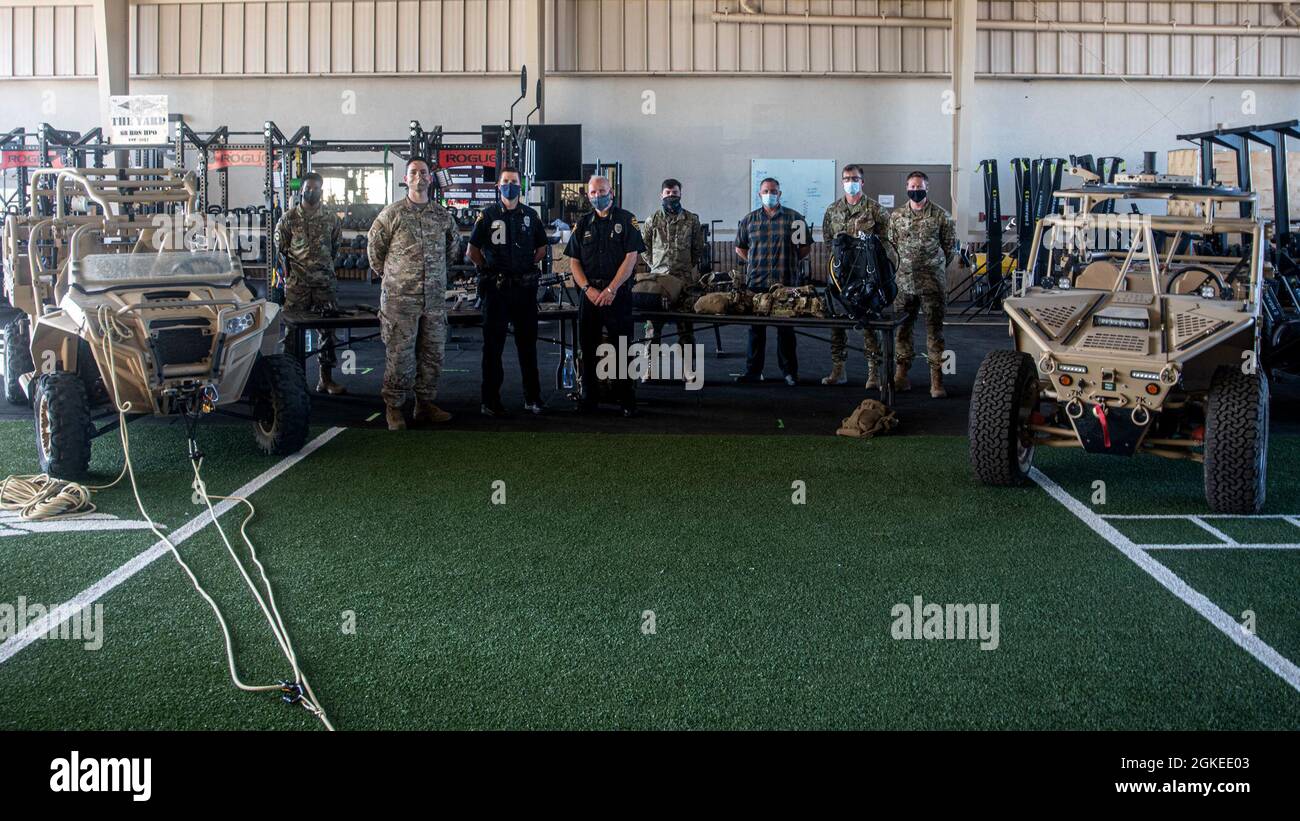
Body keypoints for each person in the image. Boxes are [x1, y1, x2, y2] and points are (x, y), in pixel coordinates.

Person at [367, 157, 459, 430]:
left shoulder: (442, 216)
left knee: (432, 355)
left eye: (423, 172)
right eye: (413, 173)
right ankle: (394, 408)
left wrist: (433, 278)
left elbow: (452, 251)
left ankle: (425, 404)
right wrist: (395, 277)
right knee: (400, 356)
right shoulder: (391, 215)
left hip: (433, 299)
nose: (419, 177)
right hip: (400, 301)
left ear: (430, 178)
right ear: (405, 179)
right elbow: (375, 252)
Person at [467, 167, 549, 418]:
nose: (510, 185)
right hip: (497, 290)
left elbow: (542, 248)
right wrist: (490, 270)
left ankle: (532, 398)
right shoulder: (488, 215)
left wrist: (523, 267)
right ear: (498, 186)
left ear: (520, 185)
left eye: (514, 182)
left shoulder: (530, 215)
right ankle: (490, 400)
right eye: (506, 182)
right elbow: (472, 250)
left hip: (523, 290)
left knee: (528, 347)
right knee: (493, 347)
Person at [565, 175, 645, 417]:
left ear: (612, 193)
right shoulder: (582, 224)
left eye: (602, 191)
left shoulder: (626, 220)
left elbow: (631, 259)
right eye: (593, 192)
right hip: (589, 295)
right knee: (587, 348)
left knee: (622, 347)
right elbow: (574, 262)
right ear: (587, 195)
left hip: (617, 295)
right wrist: (588, 290)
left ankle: (626, 398)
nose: (597, 196)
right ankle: (588, 397)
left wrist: (611, 289)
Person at [734, 177, 811, 385]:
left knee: (786, 330)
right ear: (759, 195)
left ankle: (789, 373)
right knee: (756, 331)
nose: (770, 194)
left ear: (780, 194)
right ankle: (753, 372)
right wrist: (754, 261)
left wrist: (790, 262)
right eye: (766, 191)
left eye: (774, 191)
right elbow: (740, 248)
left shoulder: (795, 219)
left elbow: (804, 248)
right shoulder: (748, 221)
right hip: (757, 283)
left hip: (786, 284)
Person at [274, 172, 346, 395]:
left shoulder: (331, 218)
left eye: (316, 188)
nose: (311, 191)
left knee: (328, 332)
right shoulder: (288, 218)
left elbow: (335, 248)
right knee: (292, 334)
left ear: (321, 191)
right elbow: (282, 250)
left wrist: (322, 269)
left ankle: (326, 379)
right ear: (301, 190)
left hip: (325, 284)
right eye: (308, 187)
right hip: (298, 286)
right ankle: (292, 382)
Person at [888, 170, 957, 399]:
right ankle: (901, 375)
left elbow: (949, 248)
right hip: (904, 284)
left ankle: (937, 380)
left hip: (932, 284)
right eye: (912, 186)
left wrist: (932, 267)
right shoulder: (896, 216)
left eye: (919, 187)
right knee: (902, 331)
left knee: (934, 332)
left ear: (927, 188)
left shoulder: (941, 216)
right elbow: (892, 246)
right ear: (906, 187)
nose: (915, 190)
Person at [820, 164, 889, 388]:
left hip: (866, 278)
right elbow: (829, 240)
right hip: (839, 277)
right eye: (847, 178)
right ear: (842, 182)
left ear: (862, 181)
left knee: (869, 324)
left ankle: (874, 374)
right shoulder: (832, 210)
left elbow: (885, 243)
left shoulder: (876, 210)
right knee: (837, 324)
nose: (851, 181)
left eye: (855, 178)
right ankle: (838, 371)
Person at [638, 178, 707, 344]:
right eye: (668, 193)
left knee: (686, 328)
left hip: (683, 280)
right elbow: (643, 247)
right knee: (653, 328)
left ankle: (688, 368)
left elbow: (698, 247)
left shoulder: (691, 219)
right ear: (661, 195)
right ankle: (650, 367)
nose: (671, 196)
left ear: (680, 194)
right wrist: (655, 265)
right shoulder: (652, 219)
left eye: (675, 193)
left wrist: (686, 266)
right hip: (658, 281)